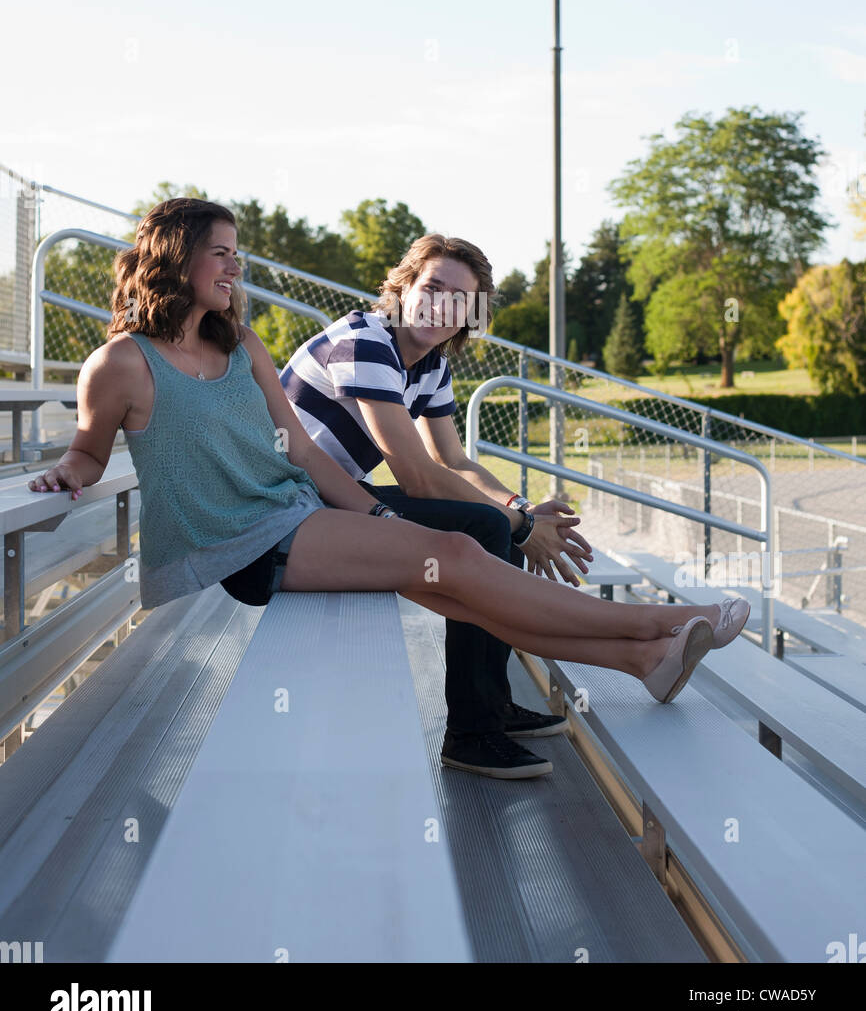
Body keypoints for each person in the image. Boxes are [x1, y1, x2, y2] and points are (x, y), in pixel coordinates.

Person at [27, 198, 750, 722]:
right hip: (240, 544)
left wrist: (377, 512)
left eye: (237, 253)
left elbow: (305, 450)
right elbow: (89, 452)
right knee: (459, 556)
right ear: (174, 257)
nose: (235, 265)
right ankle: (662, 621)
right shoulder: (119, 362)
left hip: (299, 514)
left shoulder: (240, 345)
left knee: (463, 582)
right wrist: (70, 472)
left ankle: (643, 659)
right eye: (222, 251)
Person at [279, 231, 595, 780]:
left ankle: (488, 706)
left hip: (328, 500)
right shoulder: (367, 340)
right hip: (290, 510)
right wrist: (518, 527)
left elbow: (453, 460)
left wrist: (519, 508)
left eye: (457, 298)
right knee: (482, 527)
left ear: (470, 315)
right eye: (431, 287)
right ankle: (471, 732)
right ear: (403, 289)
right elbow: (417, 476)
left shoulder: (430, 366)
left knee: (488, 524)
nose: (439, 304)